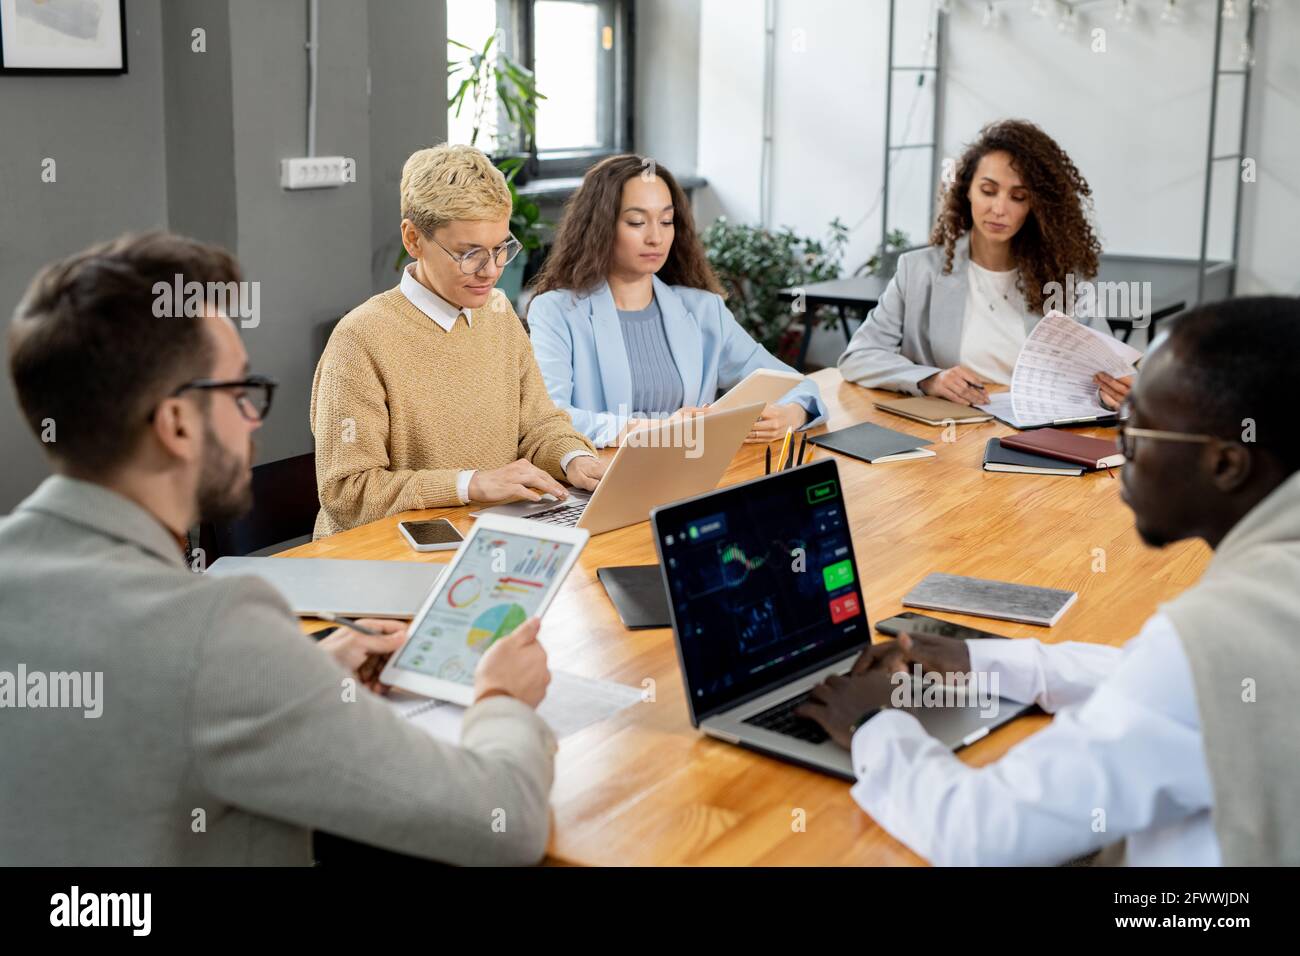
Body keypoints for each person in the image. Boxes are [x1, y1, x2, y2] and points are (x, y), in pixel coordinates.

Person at [1, 232, 557, 865]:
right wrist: (502, 698)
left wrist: (304, 679)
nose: (254, 418)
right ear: (177, 425)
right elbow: (505, 825)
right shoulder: (218, 634)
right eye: (240, 390)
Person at [799, 296, 1300, 866]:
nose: (1115, 449)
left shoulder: (1218, 635)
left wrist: (872, 725)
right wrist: (987, 663)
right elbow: (1173, 686)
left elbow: (982, 835)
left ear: (1227, 465)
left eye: (1135, 432)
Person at [311, 144, 606, 537]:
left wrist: (574, 458)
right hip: (384, 561)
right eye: (469, 254)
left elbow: (539, 425)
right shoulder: (359, 340)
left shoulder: (498, 313)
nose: (491, 271)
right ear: (413, 239)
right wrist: (470, 484)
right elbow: (347, 494)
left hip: (484, 541)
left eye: (501, 249)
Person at [526, 154, 826, 448]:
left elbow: (792, 382)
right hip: (599, 477)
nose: (656, 237)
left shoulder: (704, 309)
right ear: (599, 227)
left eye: (666, 220)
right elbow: (551, 417)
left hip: (690, 475)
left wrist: (792, 414)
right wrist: (656, 431)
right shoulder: (556, 311)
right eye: (636, 222)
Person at [837, 119, 1132, 409]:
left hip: (1039, 435)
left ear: (1035, 207)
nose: (999, 209)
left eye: (1018, 197)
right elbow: (859, 355)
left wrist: (1110, 395)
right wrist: (930, 379)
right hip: (952, 437)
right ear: (967, 191)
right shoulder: (918, 270)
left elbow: (1110, 373)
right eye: (988, 191)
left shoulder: (1065, 279)